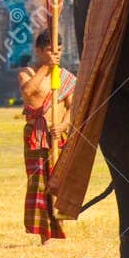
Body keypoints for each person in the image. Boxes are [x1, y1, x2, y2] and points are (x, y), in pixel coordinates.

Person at [19, 29, 76, 244]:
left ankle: (59, 226)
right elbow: (28, 92)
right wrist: (46, 68)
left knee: (58, 181)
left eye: (59, 50)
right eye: (51, 51)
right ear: (39, 50)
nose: (56, 55)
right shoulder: (27, 73)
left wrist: (63, 125)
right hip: (36, 135)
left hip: (57, 136)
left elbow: (73, 107)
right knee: (39, 183)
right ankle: (44, 232)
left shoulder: (65, 77)